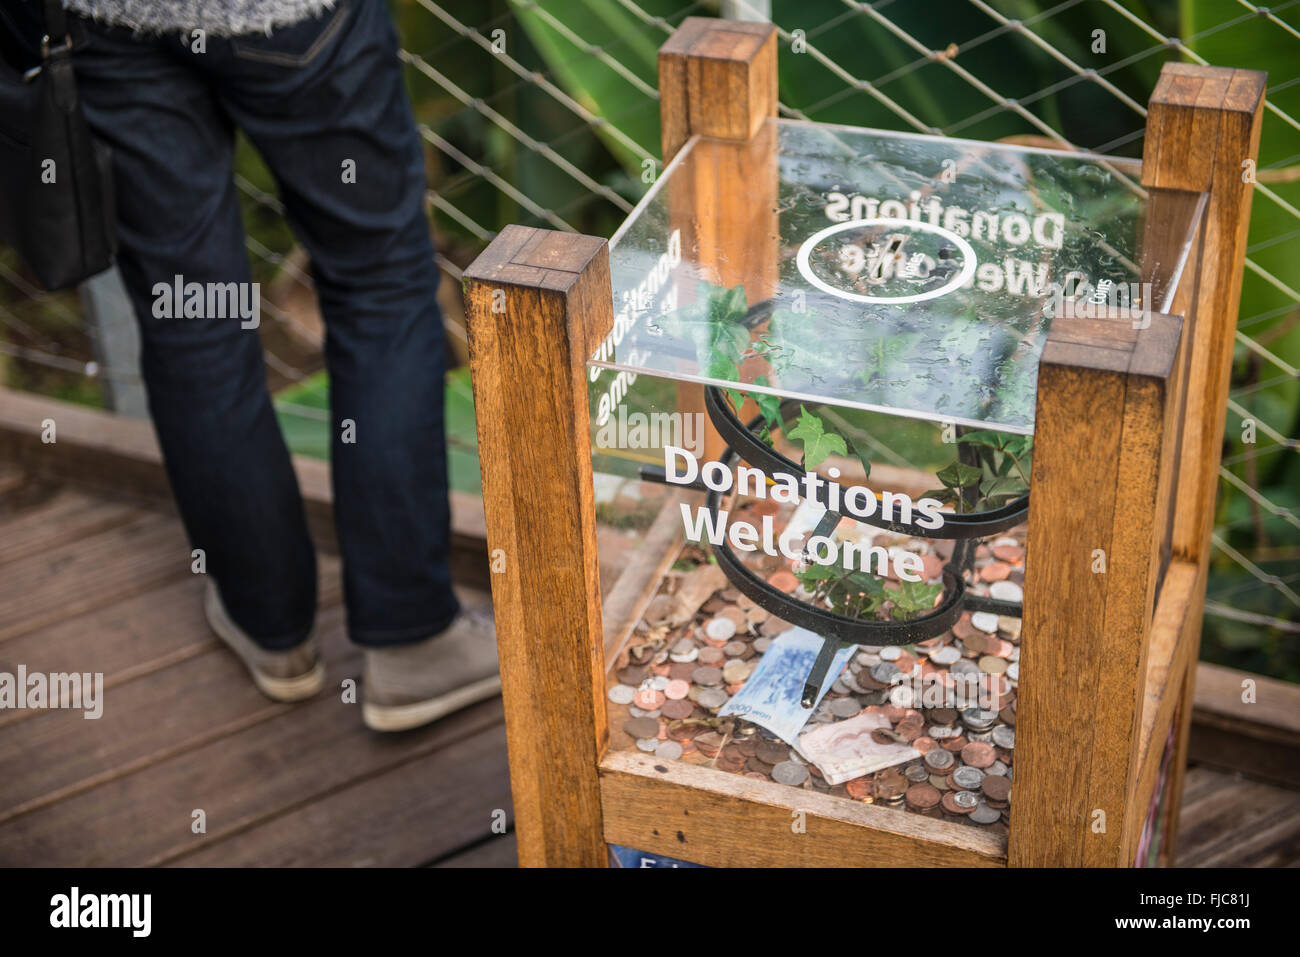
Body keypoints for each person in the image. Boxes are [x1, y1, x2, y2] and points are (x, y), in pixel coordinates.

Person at [57, 0, 499, 731]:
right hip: (292, 16)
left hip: (106, 22)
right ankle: (414, 640)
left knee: (195, 315)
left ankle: (272, 629)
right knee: (379, 283)